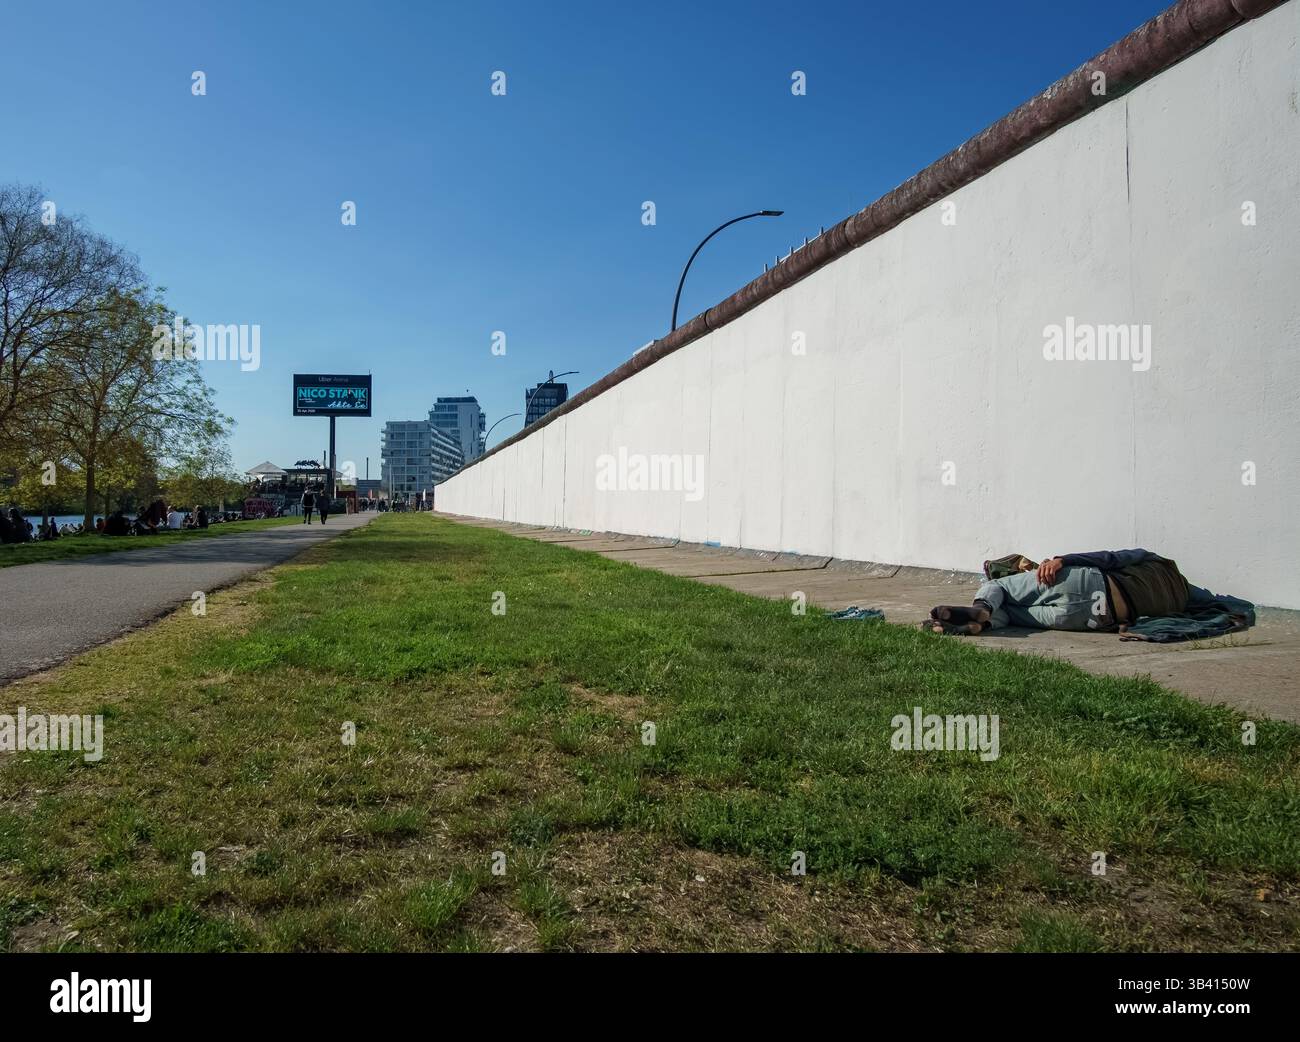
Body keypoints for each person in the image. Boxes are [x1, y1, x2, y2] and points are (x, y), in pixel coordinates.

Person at [923, 548, 1237, 637]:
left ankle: (981, 610)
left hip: (1087, 583)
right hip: (1094, 618)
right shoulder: (1177, 602)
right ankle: (980, 623)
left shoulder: (1156, 562)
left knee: (998, 586)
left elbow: (1111, 559)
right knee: (1017, 615)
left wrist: (1065, 560)